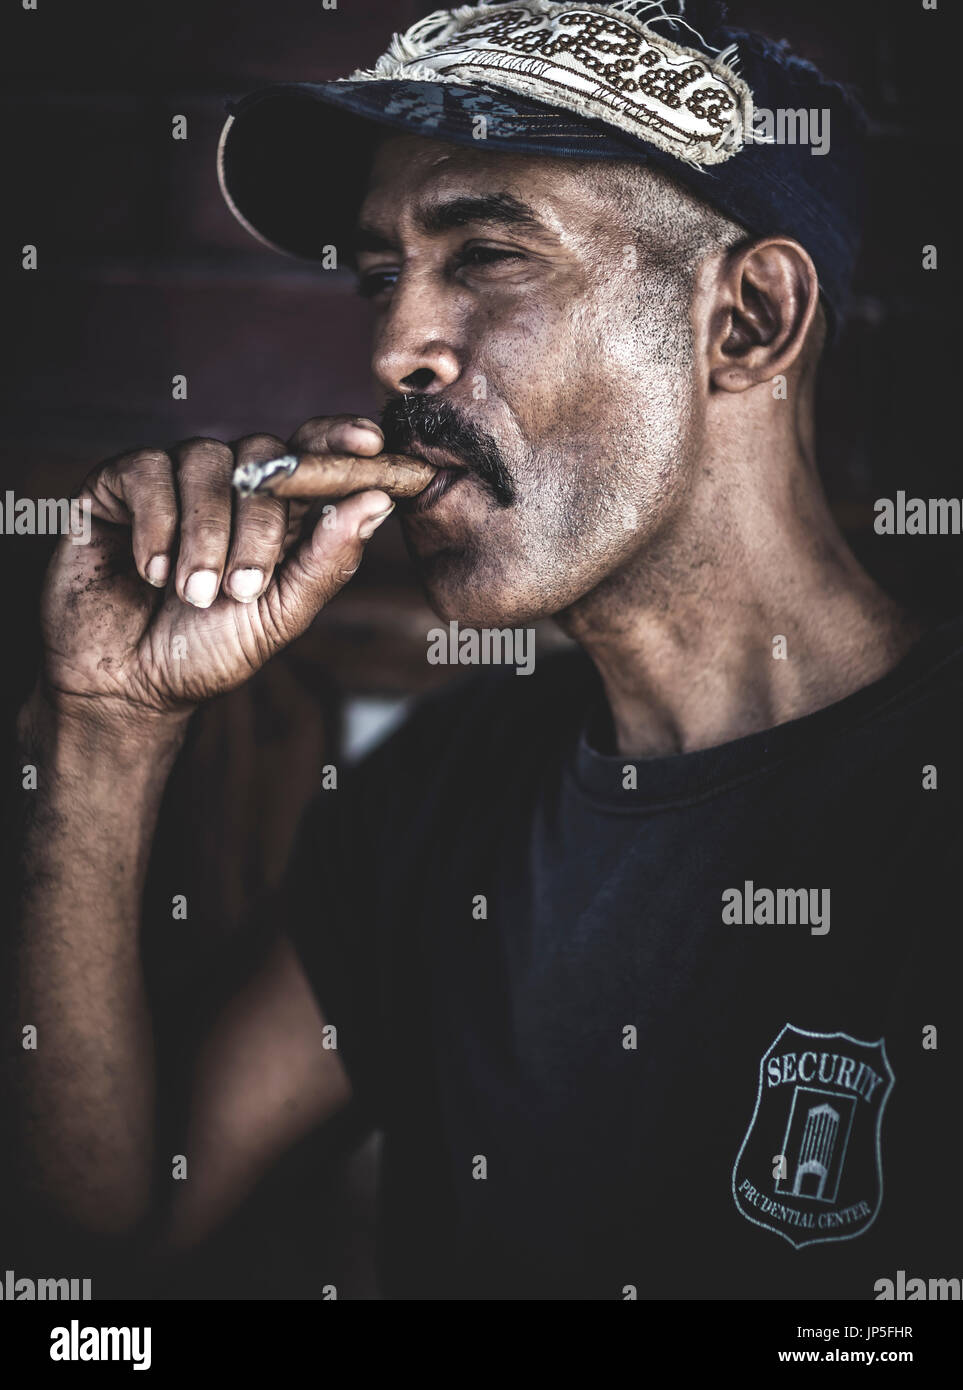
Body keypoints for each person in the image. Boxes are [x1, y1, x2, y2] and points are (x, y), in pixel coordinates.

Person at [6, 0, 961, 1299]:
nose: (397, 345)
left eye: (492, 254)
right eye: (380, 275)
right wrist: (104, 724)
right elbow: (112, 1233)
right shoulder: (435, 800)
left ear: (746, 321)